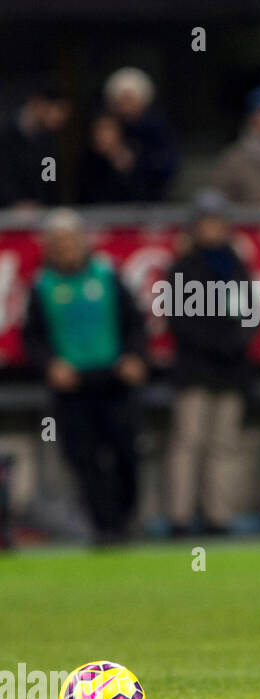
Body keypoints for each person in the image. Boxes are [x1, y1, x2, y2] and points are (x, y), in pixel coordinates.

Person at [22, 209, 147, 545]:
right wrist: (50, 365)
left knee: (126, 453)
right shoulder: (42, 286)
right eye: (58, 244)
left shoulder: (107, 275)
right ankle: (105, 529)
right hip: (72, 386)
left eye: (70, 242)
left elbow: (135, 322)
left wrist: (135, 356)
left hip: (114, 380)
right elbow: (32, 338)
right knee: (83, 459)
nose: (65, 250)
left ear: (82, 242)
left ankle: (124, 518)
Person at [165, 190, 257, 536]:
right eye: (206, 223)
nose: (213, 229)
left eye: (218, 222)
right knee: (188, 443)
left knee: (223, 445)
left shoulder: (235, 266)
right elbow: (179, 321)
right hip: (195, 368)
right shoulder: (183, 268)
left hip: (229, 370)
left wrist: (238, 341)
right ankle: (181, 516)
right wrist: (222, 343)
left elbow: (251, 313)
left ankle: (219, 515)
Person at [101, 67, 179, 202]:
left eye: (129, 99)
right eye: (121, 100)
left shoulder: (157, 129)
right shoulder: (106, 126)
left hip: (151, 201)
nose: (125, 106)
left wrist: (135, 163)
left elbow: (168, 166)